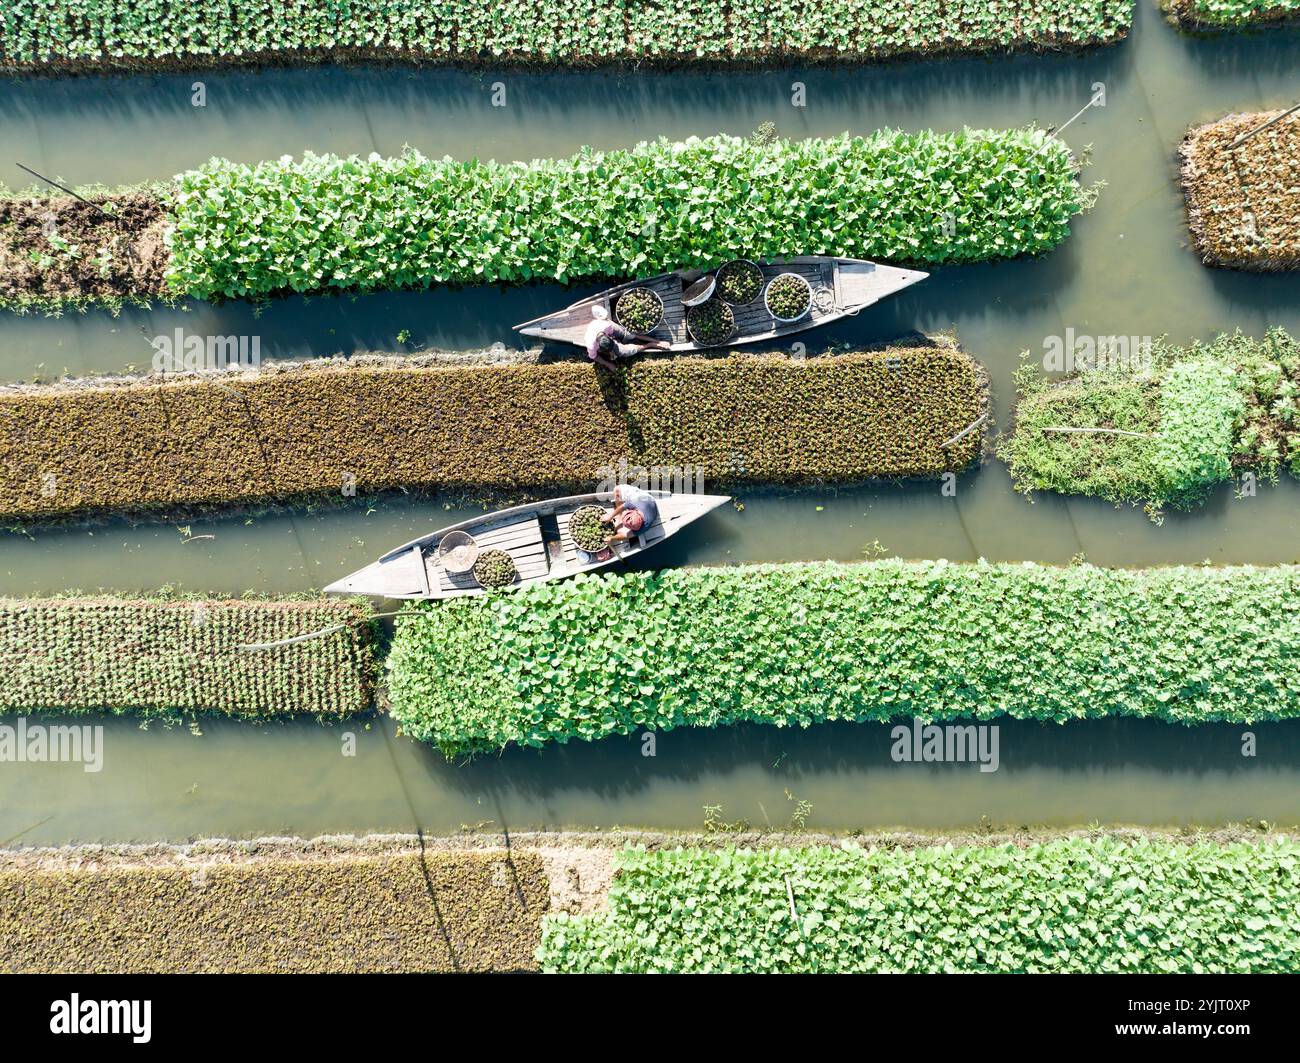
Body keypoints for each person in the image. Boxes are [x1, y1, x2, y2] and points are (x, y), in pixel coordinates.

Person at [584, 306, 670, 371]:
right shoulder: (591, 345)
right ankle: (648, 345)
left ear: (608, 337)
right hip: (602, 333)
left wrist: (615, 338)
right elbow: (594, 357)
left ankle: (657, 341)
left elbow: (612, 332)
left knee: (629, 334)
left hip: (609, 328)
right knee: (624, 351)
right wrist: (608, 364)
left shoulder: (606, 326)